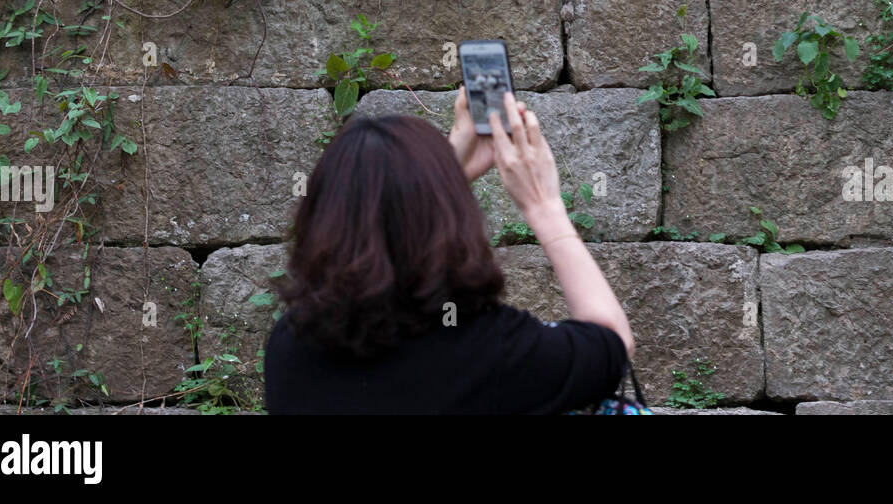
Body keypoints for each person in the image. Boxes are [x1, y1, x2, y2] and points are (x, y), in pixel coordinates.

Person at [264, 88, 636, 414]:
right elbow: (612, 344)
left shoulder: (290, 347)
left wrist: (437, 176)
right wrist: (545, 208)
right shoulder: (489, 352)